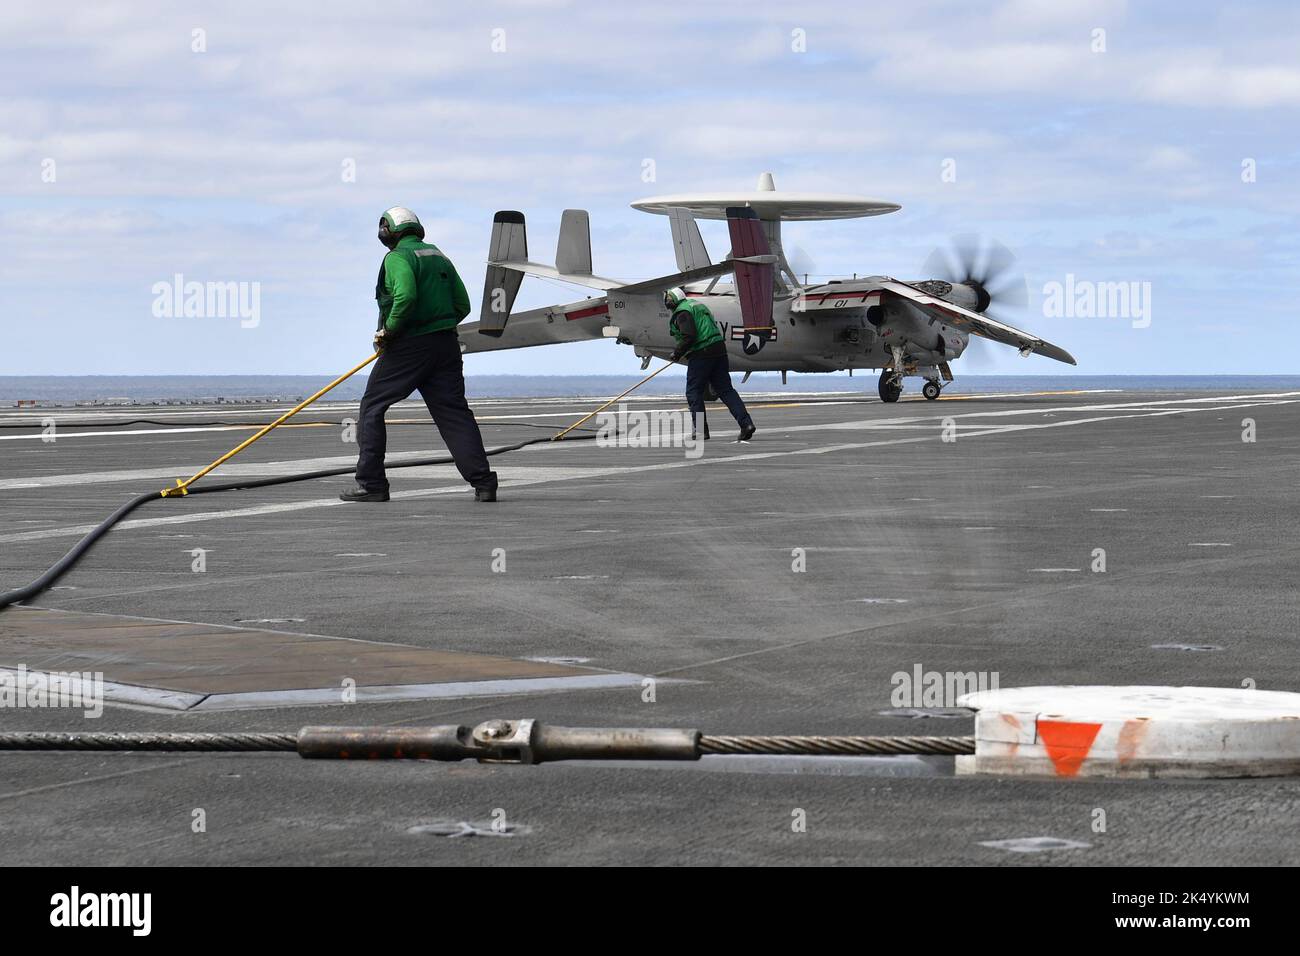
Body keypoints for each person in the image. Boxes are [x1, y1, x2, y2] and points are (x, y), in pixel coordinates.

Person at [340, 206, 498, 503]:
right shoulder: (438, 255)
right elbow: (462, 304)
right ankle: (484, 482)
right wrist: (440, 323)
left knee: (373, 406)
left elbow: (407, 296)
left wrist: (388, 331)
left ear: (387, 232)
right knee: (453, 413)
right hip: (446, 345)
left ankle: (372, 484)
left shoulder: (397, 257)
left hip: (410, 346)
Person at [665, 287, 756, 442]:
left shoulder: (682, 312)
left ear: (671, 300)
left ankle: (701, 431)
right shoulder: (696, 305)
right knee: (726, 390)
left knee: (693, 393)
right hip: (719, 349)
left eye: (667, 299)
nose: (666, 302)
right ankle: (746, 424)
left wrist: (677, 353)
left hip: (702, 352)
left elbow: (689, 336)